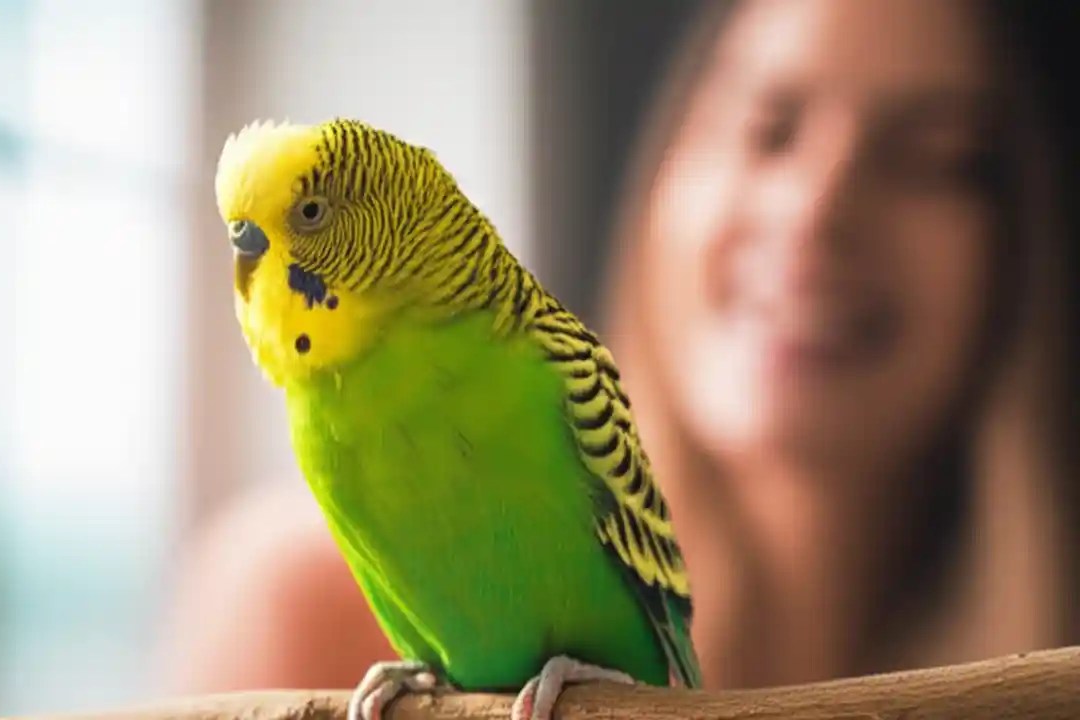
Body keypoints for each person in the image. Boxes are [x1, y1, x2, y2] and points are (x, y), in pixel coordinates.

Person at [161, 0, 1078, 693]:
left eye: (933, 157)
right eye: (767, 128)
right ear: (661, 173)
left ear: (1027, 246)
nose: (816, 212)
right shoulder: (288, 602)